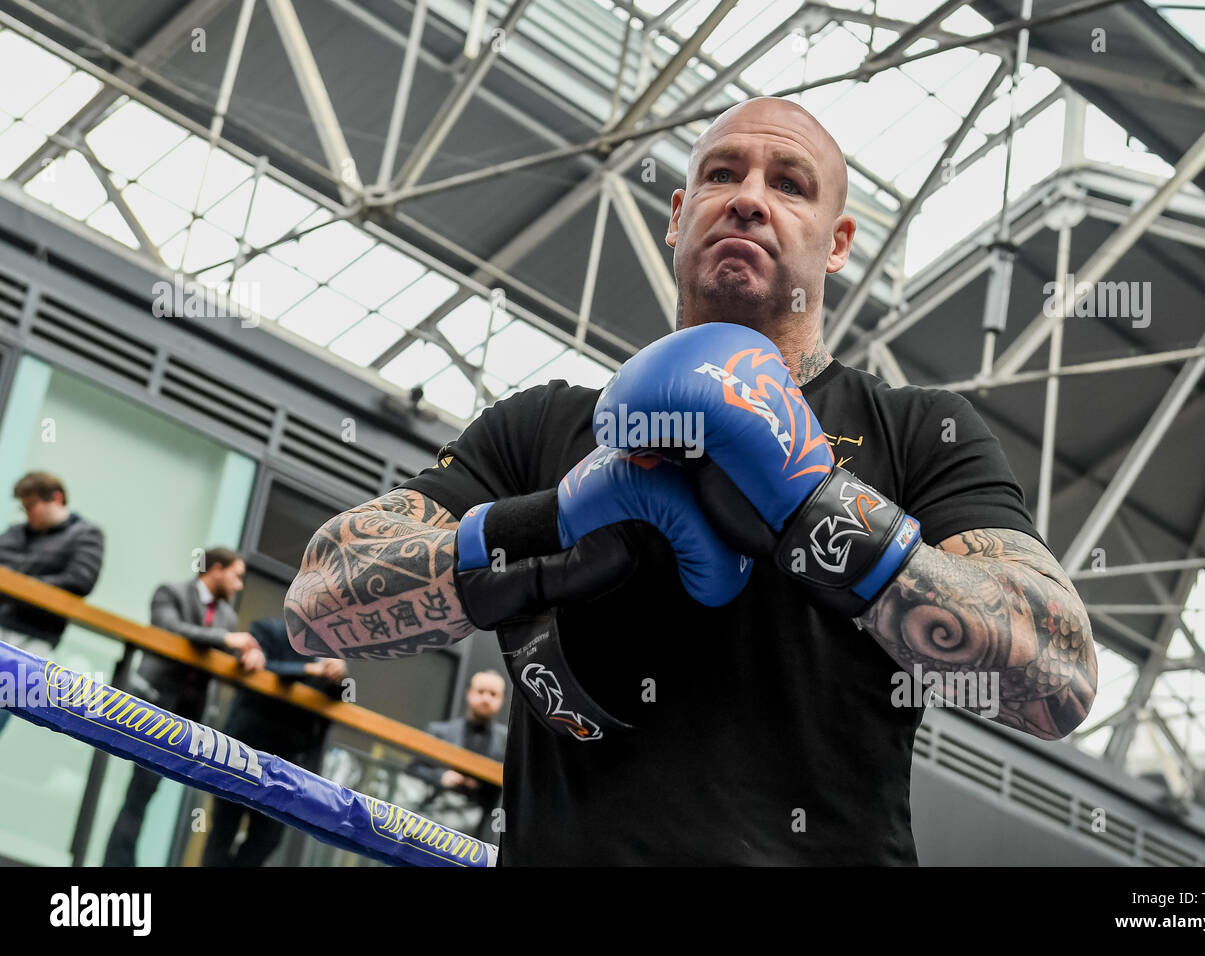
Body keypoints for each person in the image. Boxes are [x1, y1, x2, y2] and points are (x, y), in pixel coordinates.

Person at [285, 96, 1098, 865]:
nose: (748, 199)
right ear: (678, 216)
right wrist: (547, 528)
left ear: (838, 242)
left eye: (789, 184)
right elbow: (317, 606)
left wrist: (815, 507)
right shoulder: (545, 427)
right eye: (722, 174)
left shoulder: (916, 432)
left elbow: (1058, 681)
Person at [103, 548, 263, 866]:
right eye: (237, 575)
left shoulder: (227, 616)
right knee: (140, 790)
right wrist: (225, 639)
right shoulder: (172, 592)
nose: (239, 585)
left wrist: (249, 656)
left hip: (187, 716)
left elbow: (225, 652)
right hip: (153, 702)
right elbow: (170, 629)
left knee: (144, 792)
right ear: (215, 568)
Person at [202, 615, 346, 867]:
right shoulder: (267, 628)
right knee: (224, 829)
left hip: (287, 764)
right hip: (244, 750)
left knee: (268, 838)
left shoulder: (330, 651)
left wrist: (338, 676)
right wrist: (310, 669)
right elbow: (260, 667)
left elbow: (339, 699)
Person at [0, 471, 104, 735]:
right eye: (23, 507)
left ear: (56, 499)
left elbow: (80, 581)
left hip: (33, 639)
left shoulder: (87, 534)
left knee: (4, 704)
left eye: (31, 506)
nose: (28, 514)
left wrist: (23, 584)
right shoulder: (16, 532)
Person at [408, 670, 507, 840]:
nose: (486, 699)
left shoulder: (508, 741)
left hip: (480, 832)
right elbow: (413, 768)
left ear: (501, 700)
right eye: (481, 691)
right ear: (469, 693)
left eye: (493, 694)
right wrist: (441, 776)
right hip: (431, 821)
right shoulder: (439, 731)